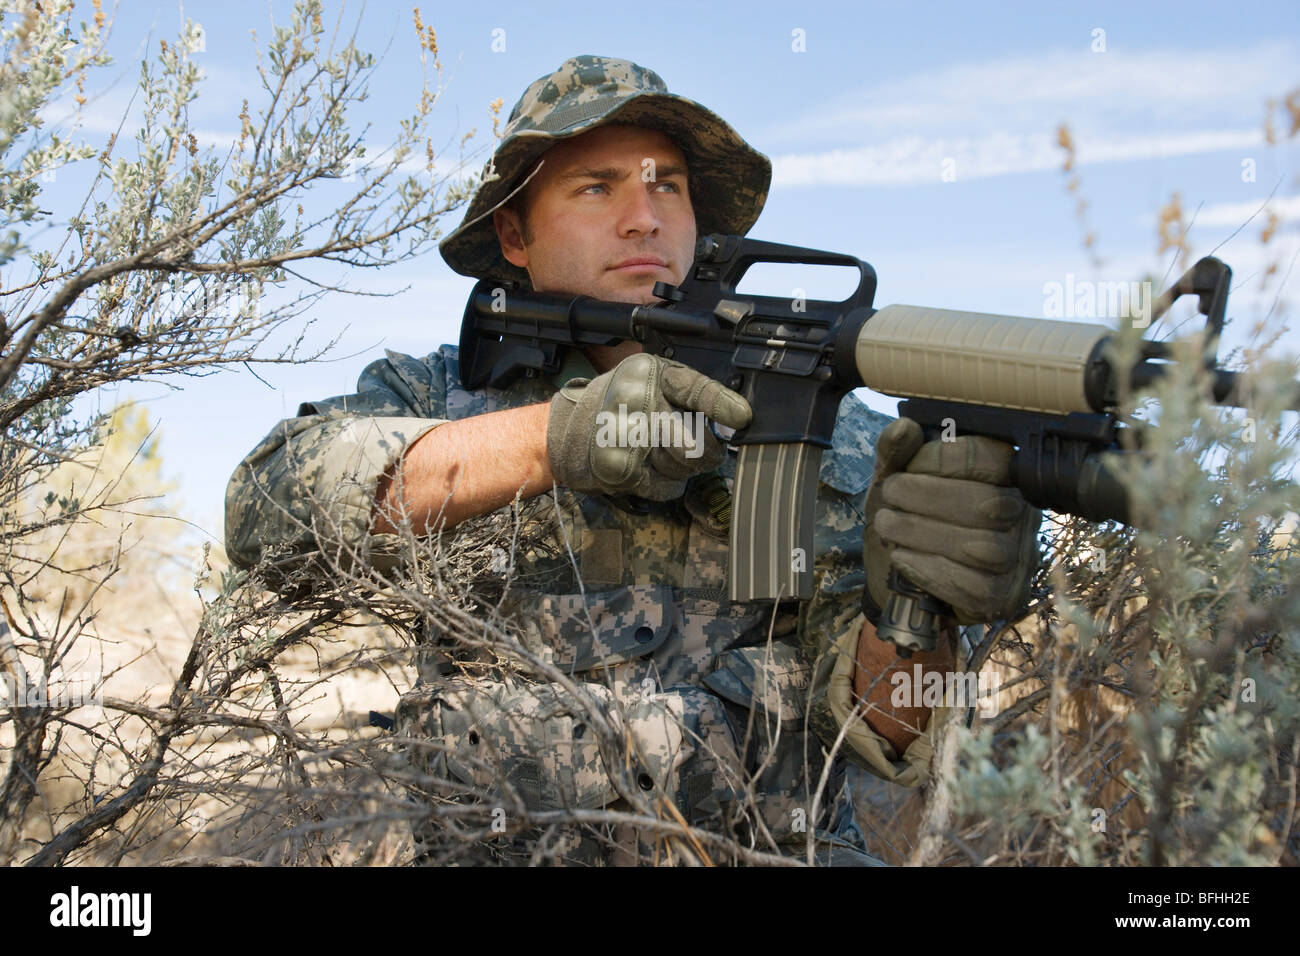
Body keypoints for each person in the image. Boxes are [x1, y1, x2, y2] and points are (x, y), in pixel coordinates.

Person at [225, 55, 1041, 865]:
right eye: (597, 187)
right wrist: (558, 439)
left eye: (668, 187)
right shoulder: (441, 396)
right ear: (514, 233)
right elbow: (265, 505)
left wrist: (917, 608)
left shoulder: (830, 432)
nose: (644, 218)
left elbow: (886, 728)